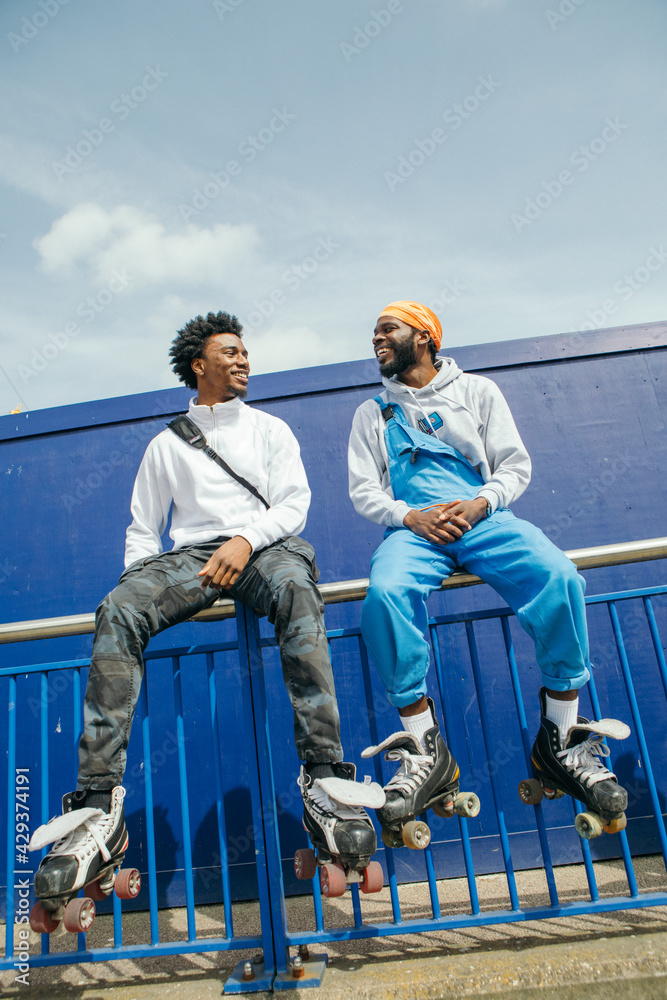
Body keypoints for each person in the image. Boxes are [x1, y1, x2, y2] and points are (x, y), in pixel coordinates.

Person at [30, 311, 380, 929]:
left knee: (298, 592)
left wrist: (246, 540)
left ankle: (325, 775)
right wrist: (143, 586)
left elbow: (294, 505)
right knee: (119, 609)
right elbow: (144, 530)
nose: (243, 360)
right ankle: (97, 804)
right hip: (192, 558)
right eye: (230, 352)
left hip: (266, 546)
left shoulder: (270, 429)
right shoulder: (167, 444)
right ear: (199, 365)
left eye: (245, 352)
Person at [348, 300, 629, 847]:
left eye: (388, 329)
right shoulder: (371, 414)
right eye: (374, 331)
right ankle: (424, 746)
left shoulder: (477, 392)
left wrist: (480, 504)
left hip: (484, 517)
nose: (377, 338)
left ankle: (561, 736)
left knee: (559, 576)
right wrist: (409, 517)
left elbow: (514, 464)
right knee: (386, 593)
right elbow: (365, 491)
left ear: (424, 336)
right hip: (415, 528)